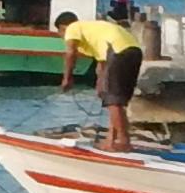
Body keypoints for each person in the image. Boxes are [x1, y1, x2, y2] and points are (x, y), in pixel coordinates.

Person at [62, 9, 149, 148]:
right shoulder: (93, 30)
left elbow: (71, 52)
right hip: (134, 51)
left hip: (117, 50)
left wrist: (67, 78)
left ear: (62, 27)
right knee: (117, 101)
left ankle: (123, 141)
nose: (64, 38)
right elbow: (102, 63)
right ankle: (111, 139)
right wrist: (100, 83)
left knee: (113, 101)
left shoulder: (72, 27)